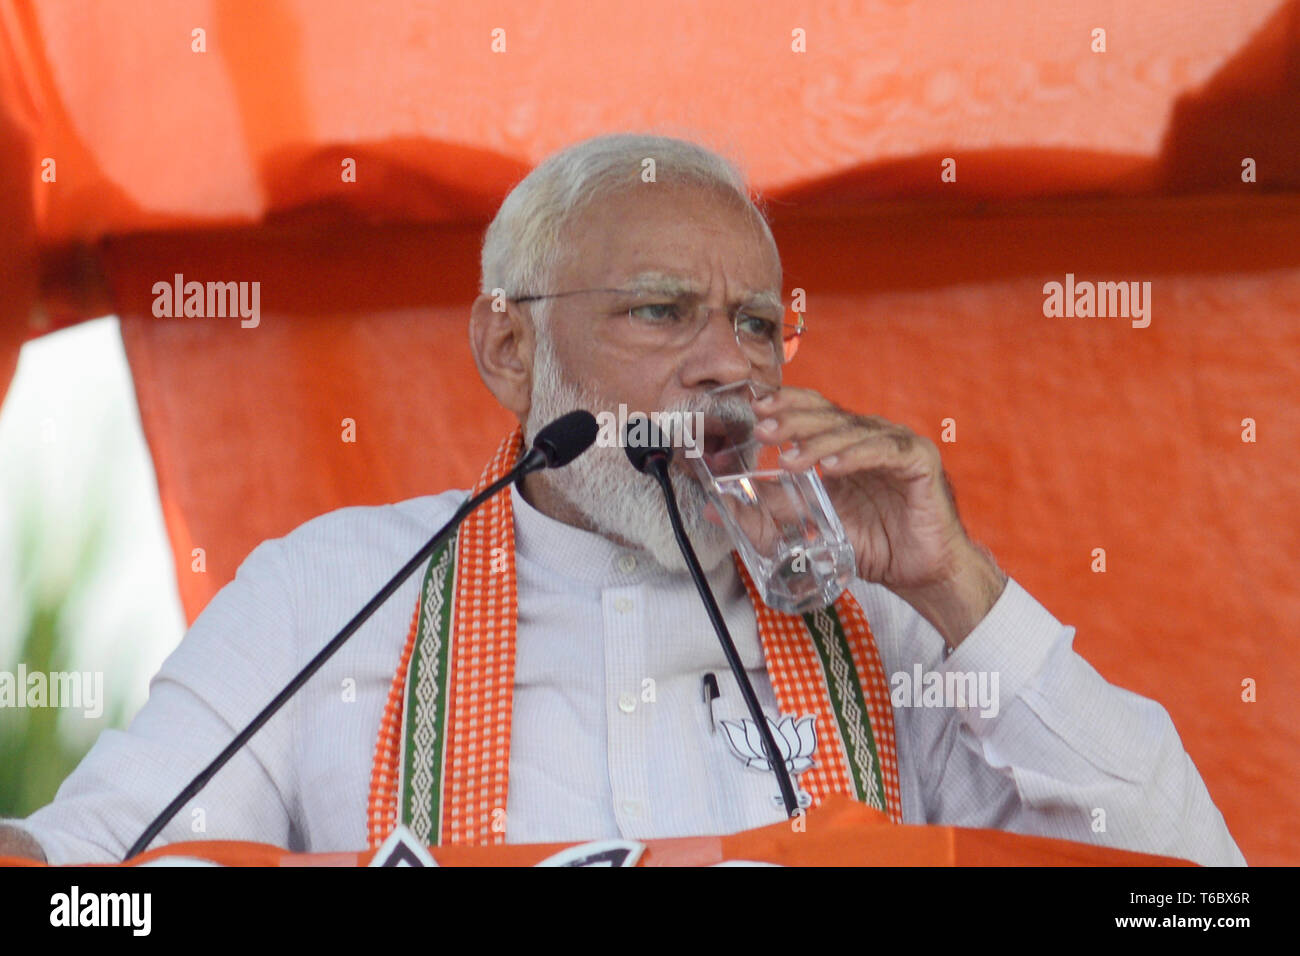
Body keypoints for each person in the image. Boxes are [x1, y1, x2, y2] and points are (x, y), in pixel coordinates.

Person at [0, 132, 1245, 866]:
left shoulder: (883, 616)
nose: (728, 362)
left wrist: (952, 581)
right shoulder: (324, 592)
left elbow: (1187, 874)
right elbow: (81, 875)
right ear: (507, 350)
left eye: (756, 323)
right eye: (661, 310)